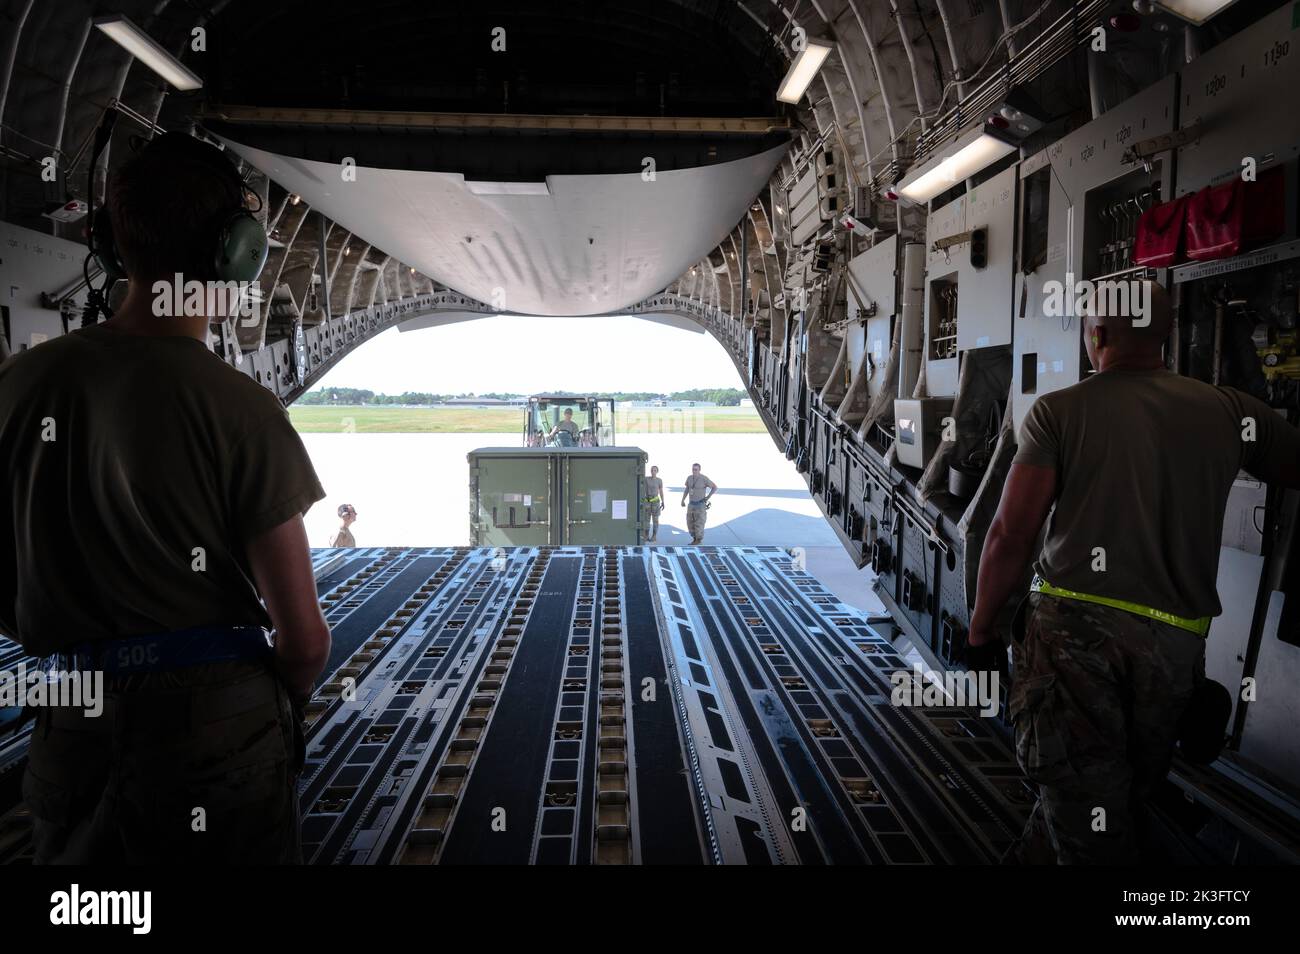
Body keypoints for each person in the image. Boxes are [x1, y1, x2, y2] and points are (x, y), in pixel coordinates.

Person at [0, 133, 331, 863]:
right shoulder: (242, 408)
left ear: (110, 246)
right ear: (238, 255)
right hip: (213, 733)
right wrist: (255, 711)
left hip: (71, 717)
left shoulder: (20, 386)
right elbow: (305, 642)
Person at [967, 280, 1300, 864]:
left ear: (1096, 334)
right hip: (1173, 650)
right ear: (1166, 335)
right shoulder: (1230, 412)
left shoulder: (1060, 411)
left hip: (1074, 641)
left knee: (1082, 810)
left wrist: (981, 631)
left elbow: (1008, 536)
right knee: (1115, 805)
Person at [680, 462, 717, 544]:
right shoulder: (689, 478)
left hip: (700, 505)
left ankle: (698, 540)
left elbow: (714, 487)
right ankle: (694, 539)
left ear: (699, 470)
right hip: (691, 504)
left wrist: (708, 497)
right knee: (690, 522)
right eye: (693, 469)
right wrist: (683, 500)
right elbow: (687, 489)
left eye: (696, 469)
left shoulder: (704, 478)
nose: (694, 471)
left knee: (699, 523)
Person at [643, 465, 664, 542]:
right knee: (646, 520)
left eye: (655, 470)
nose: (653, 472)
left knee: (655, 520)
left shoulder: (659, 480)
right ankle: (646, 535)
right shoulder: (646, 479)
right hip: (647, 502)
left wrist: (663, 501)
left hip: (655, 502)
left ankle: (654, 536)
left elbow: (661, 491)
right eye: (652, 470)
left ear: (657, 471)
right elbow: (642, 488)